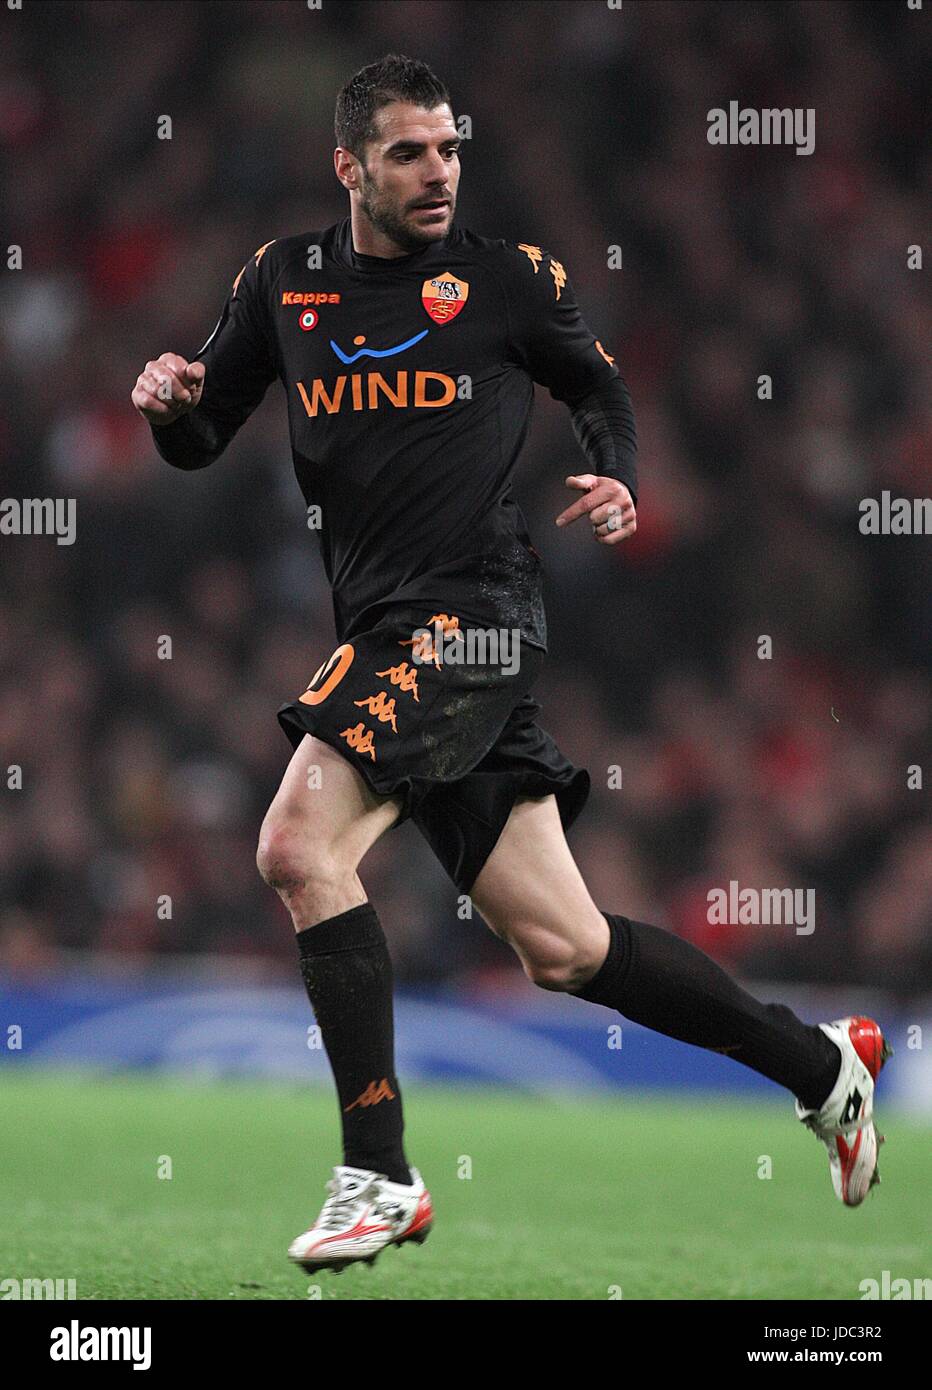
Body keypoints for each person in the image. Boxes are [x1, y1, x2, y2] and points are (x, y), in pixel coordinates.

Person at [131, 55, 890, 1275]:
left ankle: (376, 1175)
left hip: (473, 617)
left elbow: (600, 389)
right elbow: (203, 432)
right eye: (408, 154)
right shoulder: (285, 282)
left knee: (292, 847)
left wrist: (618, 472)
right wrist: (171, 403)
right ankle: (823, 1067)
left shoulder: (504, 280)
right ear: (350, 167)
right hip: (383, 629)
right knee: (566, 949)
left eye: (449, 149)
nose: (437, 173)